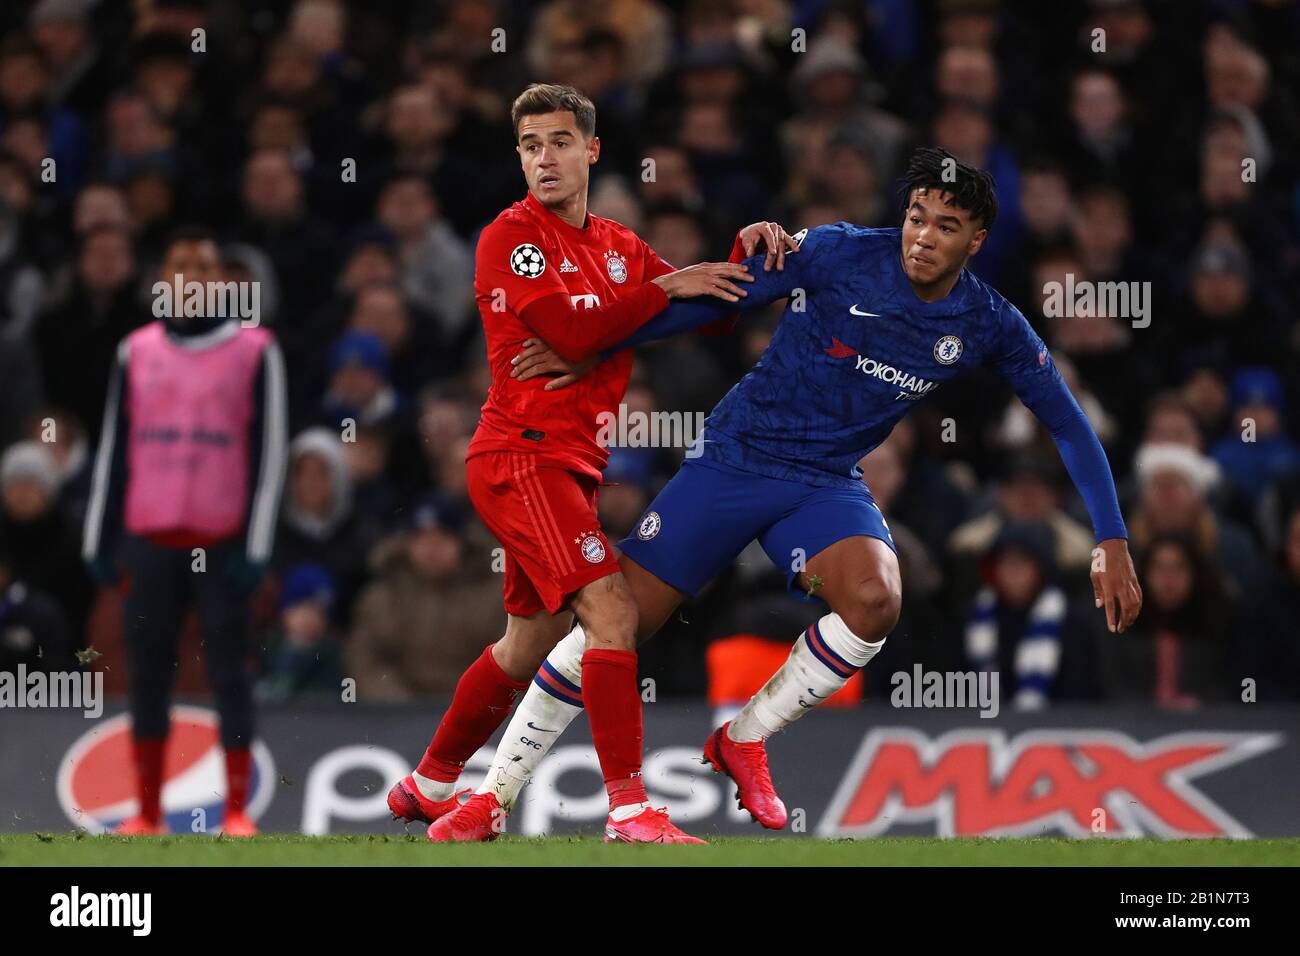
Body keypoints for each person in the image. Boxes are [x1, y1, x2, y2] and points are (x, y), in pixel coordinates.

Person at [437, 147, 1144, 839]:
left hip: (825, 483)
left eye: (945, 227)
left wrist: (1110, 537)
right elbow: (722, 293)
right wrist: (595, 344)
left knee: (876, 602)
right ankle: (493, 796)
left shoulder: (987, 322)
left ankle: (743, 739)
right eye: (917, 217)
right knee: (612, 627)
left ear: (977, 241)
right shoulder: (838, 253)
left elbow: (1070, 425)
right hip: (735, 459)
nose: (924, 238)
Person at [384, 83, 765, 845]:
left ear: (592, 150)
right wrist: (651, 296)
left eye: (559, 141)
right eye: (529, 146)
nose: (544, 158)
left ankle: (428, 783)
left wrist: (752, 252)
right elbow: (569, 325)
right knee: (613, 612)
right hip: (521, 455)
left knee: (524, 645)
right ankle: (630, 810)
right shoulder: (510, 237)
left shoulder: (620, 247)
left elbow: (703, 304)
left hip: (568, 465)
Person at [81, 227, 289, 836]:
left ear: (223, 283)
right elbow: (114, 451)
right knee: (146, 671)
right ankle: (146, 812)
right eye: (180, 267)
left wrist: (256, 545)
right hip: (150, 541)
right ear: (162, 281)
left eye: (203, 267)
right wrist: (99, 540)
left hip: (222, 542)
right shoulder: (135, 350)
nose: (192, 278)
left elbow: (269, 453)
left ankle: (233, 809)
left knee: (230, 669)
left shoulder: (256, 350)